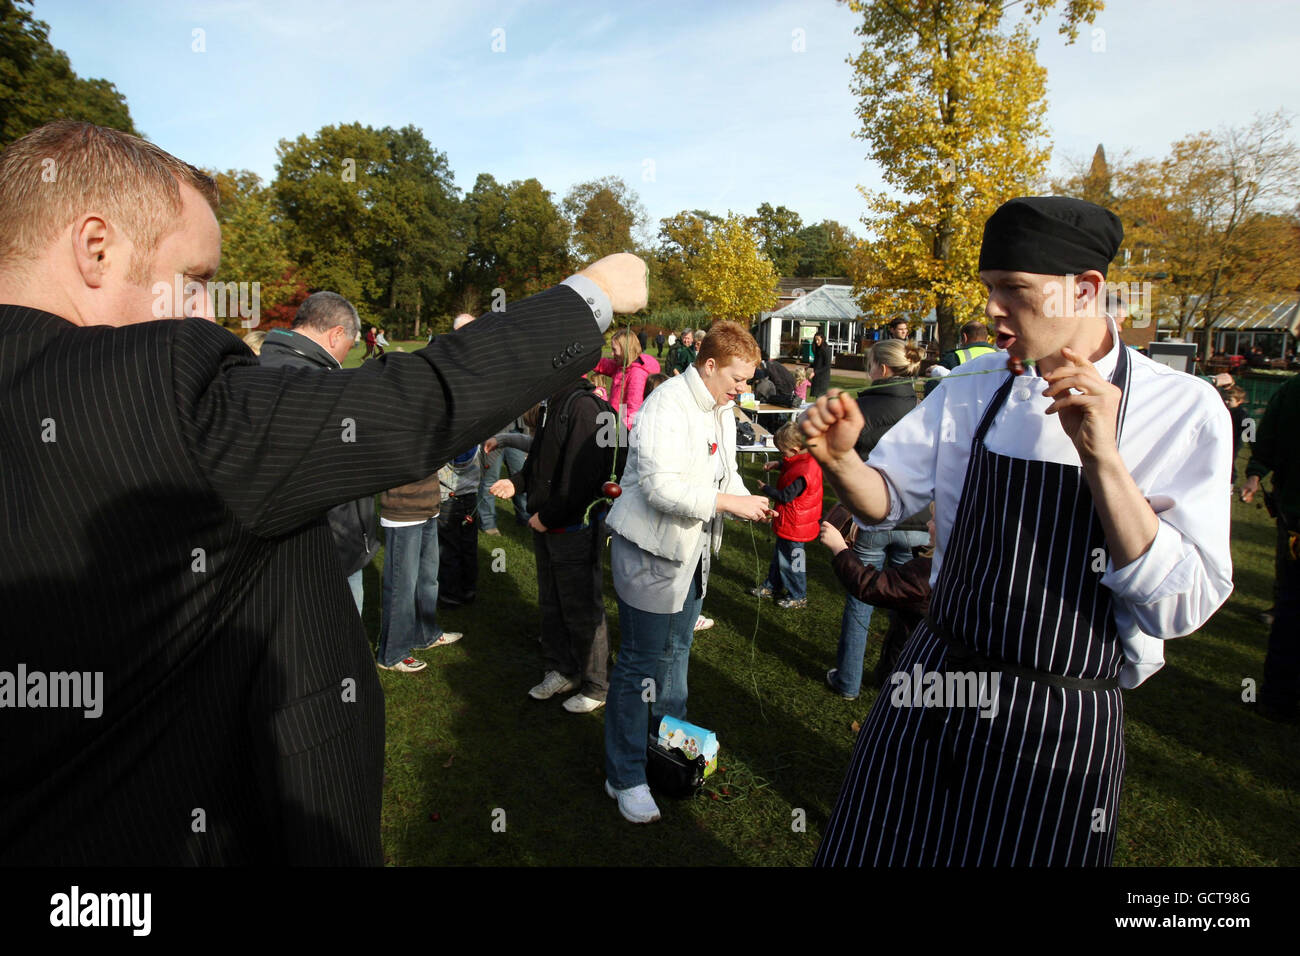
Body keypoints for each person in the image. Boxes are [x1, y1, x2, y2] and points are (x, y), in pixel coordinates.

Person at [0, 121, 646, 865]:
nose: (208, 316)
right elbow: (408, 404)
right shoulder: (149, 387)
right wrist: (587, 296)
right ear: (96, 247)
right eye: (198, 280)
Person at [802, 196, 1233, 866]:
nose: (993, 310)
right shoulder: (974, 385)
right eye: (990, 289)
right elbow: (885, 501)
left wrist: (1103, 458)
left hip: (1059, 715)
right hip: (935, 677)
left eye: (1015, 291)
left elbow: (1182, 605)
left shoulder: (1181, 409)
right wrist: (842, 461)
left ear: (1086, 289)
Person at [602, 321, 771, 824]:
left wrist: (746, 497)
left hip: (693, 555)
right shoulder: (667, 404)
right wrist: (727, 503)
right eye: (737, 379)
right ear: (710, 364)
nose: (743, 389)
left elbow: (725, 471)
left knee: (677, 654)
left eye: (747, 381)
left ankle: (663, 746)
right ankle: (625, 774)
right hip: (652, 554)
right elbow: (659, 488)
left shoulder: (720, 409)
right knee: (639, 665)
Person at [492, 376, 615, 713]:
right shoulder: (551, 403)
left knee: (581, 608)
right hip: (549, 524)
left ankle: (597, 685)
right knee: (552, 602)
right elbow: (540, 463)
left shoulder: (584, 407)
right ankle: (562, 669)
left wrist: (549, 517)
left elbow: (587, 479)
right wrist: (516, 483)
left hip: (573, 527)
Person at [259, 292, 377, 615]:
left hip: (307, 547)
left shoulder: (265, 365)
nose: (344, 356)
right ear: (336, 334)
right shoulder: (310, 381)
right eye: (348, 346)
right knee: (338, 651)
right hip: (327, 548)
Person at [825, 338, 930, 700]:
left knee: (863, 596)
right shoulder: (924, 407)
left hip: (878, 517)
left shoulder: (860, 408)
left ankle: (850, 681)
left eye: (870, 365)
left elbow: (845, 460)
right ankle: (889, 680)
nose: (869, 371)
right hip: (916, 519)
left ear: (882, 370)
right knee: (907, 606)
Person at [819, 508, 936, 688]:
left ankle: (849, 681)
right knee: (904, 600)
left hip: (878, 522)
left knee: (865, 605)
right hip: (917, 524)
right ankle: (885, 677)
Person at [1242, 373, 1300, 722]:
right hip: (1295, 519)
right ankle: (1277, 697)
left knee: (1291, 608)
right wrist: (1255, 471)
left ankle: (1277, 698)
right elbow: (1267, 445)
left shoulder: (1290, 390)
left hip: (1294, 519)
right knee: (1291, 608)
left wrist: (1255, 472)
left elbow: (1266, 444)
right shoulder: (1292, 392)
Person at [376, 470, 463, 673]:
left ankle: (426, 634)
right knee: (402, 587)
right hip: (403, 511)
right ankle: (392, 654)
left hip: (429, 506)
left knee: (428, 579)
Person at [752, 422, 824, 609]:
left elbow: (785, 496)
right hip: (790, 522)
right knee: (780, 556)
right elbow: (793, 463)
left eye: (783, 453)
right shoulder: (804, 458)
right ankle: (772, 585)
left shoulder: (805, 472)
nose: (783, 456)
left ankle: (798, 595)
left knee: (795, 561)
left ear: (795, 448)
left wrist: (765, 488)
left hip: (796, 526)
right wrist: (779, 464)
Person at [593, 327, 661, 428]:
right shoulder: (622, 366)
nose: (612, 354)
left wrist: (624, 433)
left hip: (623, 426)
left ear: (625, 350)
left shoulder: (636, 374)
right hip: (615, 418)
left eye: (614, 350)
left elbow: (633, 407)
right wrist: (588, 361)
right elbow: (605, 365)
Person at [810, 331, 832, 398]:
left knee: (821, 398)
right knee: (818, 398)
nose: (816, 342)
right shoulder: (818, 349)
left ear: (823, 339)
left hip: (823, 379)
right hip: (817, 377)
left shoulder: (827, 350)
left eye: (818, 340)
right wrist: (810, 365)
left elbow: (827, 366)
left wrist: (814, 373)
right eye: (815, 340)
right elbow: (818, 362)